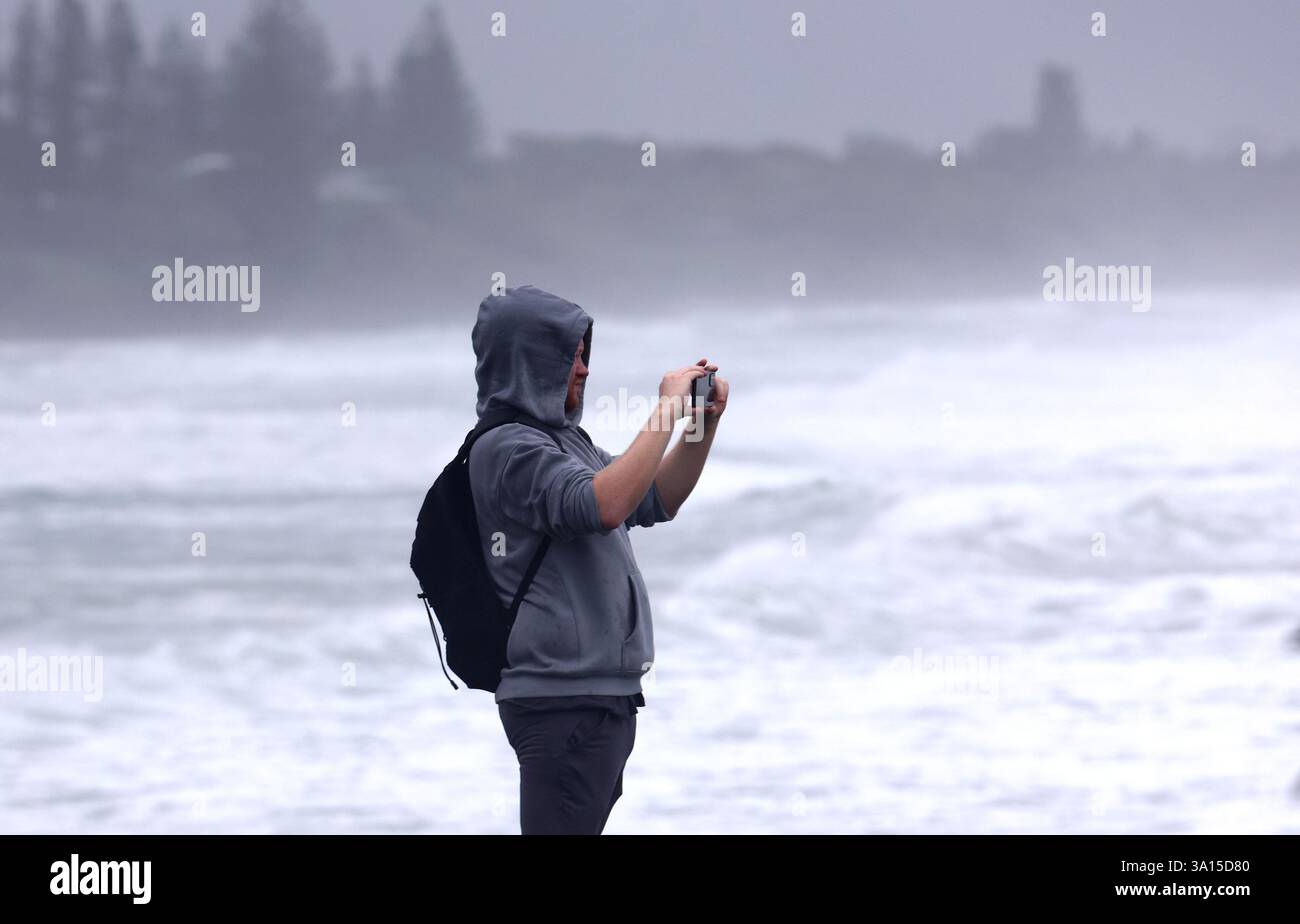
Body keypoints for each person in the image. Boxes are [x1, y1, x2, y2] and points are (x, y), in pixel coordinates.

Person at [467, 285, 727, 834]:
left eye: (584, 354)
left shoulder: (564, 440)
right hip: (559, 699)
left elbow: (654, 498)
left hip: (598, 695)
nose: (583, 369)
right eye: (570, 356)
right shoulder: (509, 449)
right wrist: (665, 408)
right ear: (528, 360)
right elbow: (605, 504)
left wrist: (701, 422)